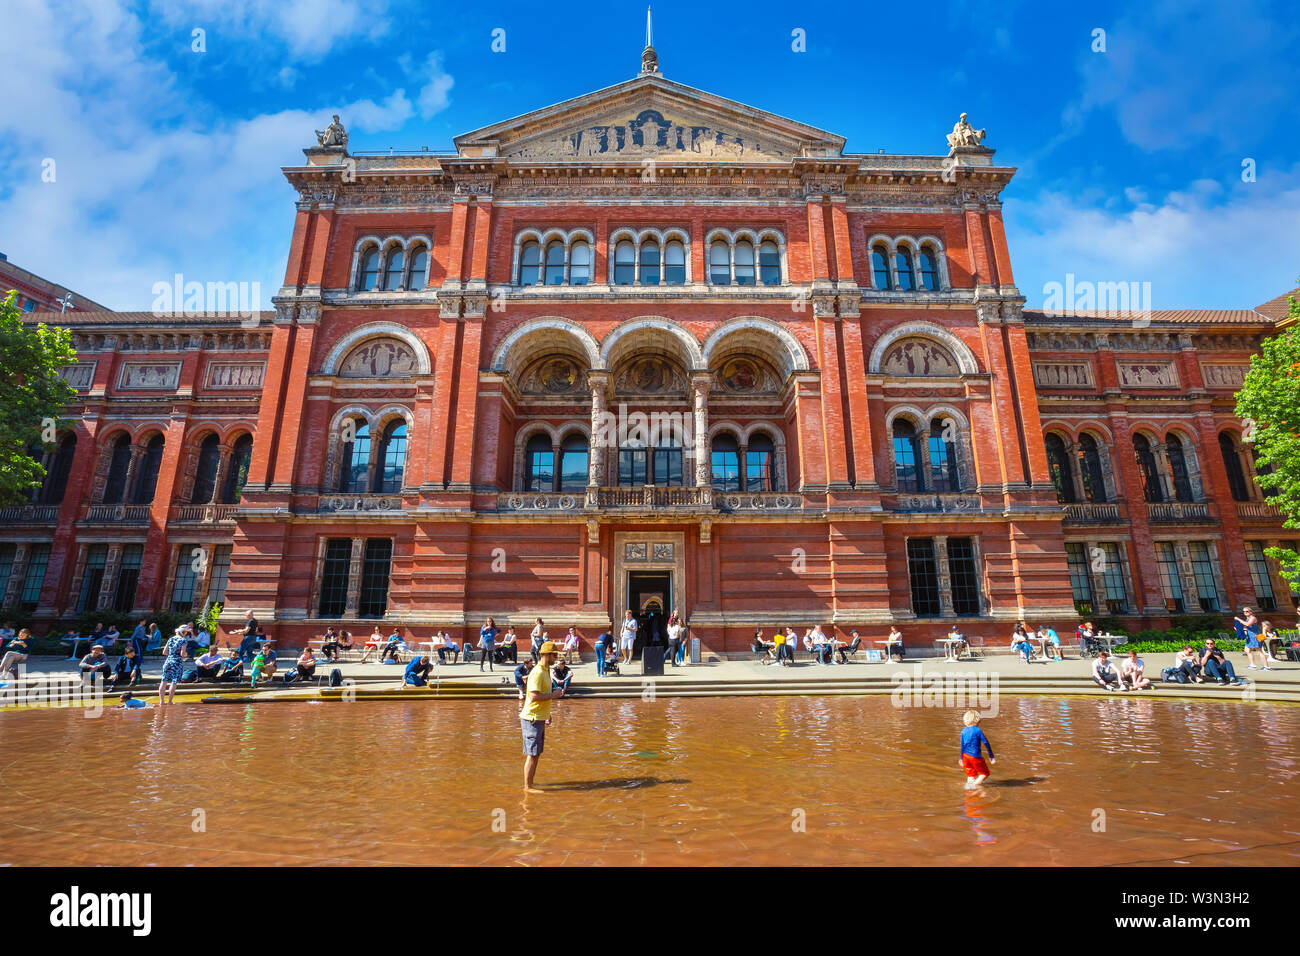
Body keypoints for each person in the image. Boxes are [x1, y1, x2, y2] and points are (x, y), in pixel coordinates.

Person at [521, 641, 565, 791]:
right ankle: (527, 787)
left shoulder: (546, 670)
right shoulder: (538, 672)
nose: (556, 657)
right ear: (546, 655)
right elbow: (533, 696)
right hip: (531, 718)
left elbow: (541, 696)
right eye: (554, 655)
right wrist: (553, 695)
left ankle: (530, 784)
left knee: (536, 753)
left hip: (539, 717)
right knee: (532, 755)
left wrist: (547, 713)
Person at [959, 710, 996, 789]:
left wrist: (961, 758)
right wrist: (991, 755)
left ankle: (969, 791)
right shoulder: (977, 730)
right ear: (977, 720)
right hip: (975, 757)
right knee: (985, 773)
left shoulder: (963, 731)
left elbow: (962, 745)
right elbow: (986, 742)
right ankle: (975, 786)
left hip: (965, 757)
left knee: (970, 775)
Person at [159, 628, 189, 705]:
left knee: (164, 681)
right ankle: (169, 701)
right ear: (184, 632)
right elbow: (182, 654)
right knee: (174, 681)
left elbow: (164, 652)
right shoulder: (183, 640)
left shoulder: (170, 639)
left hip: (168, 661)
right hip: (177, 662)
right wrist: (186, 654)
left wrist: (172, 653)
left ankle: (161, 701)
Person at [1236, 606, 1270, 670]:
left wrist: (1238, 619)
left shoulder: (1253, 618)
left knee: (1259, 651)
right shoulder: (1247, 618)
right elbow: (1247, 627)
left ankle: (1266, 666)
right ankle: (1253, 665)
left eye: (1247, 611)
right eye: (1244, 611)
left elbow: (1248, 624)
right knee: (1247, 650)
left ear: (1251, 612)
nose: (1245, 612)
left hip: (1255, 637)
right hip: (1250, 637)